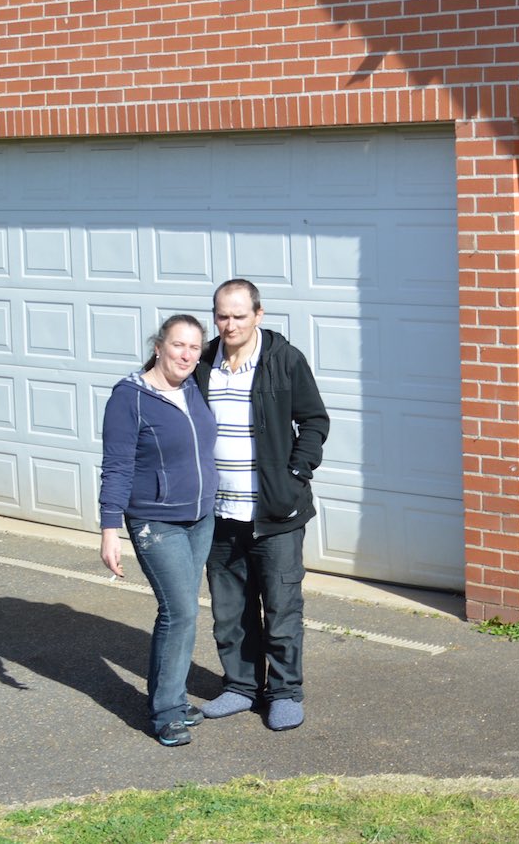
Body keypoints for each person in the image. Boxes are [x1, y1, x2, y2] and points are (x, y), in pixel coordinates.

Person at [195, 279, 330, 731]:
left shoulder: (284, 361)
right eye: (221, 316)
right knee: (229, 611)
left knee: (281, 608)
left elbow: (313, 420)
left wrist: (295, 475)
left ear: (258, 314)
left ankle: (286, 692)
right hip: (218, 515)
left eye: (238, 315)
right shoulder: (201, 363)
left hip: (275, 514)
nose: (229, 324)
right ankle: (240, 687)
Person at [97, 312, 217, 747]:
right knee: (180, 611)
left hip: (200, 517)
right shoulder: (129, 398)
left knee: (183, 613)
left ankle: (171, 695)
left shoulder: (193, 387)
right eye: (178, 345)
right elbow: (117, 466)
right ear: (158, 346)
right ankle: (165, 710)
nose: (186, 354)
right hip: (155, 520)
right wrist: (111, 529)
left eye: (194, 347)